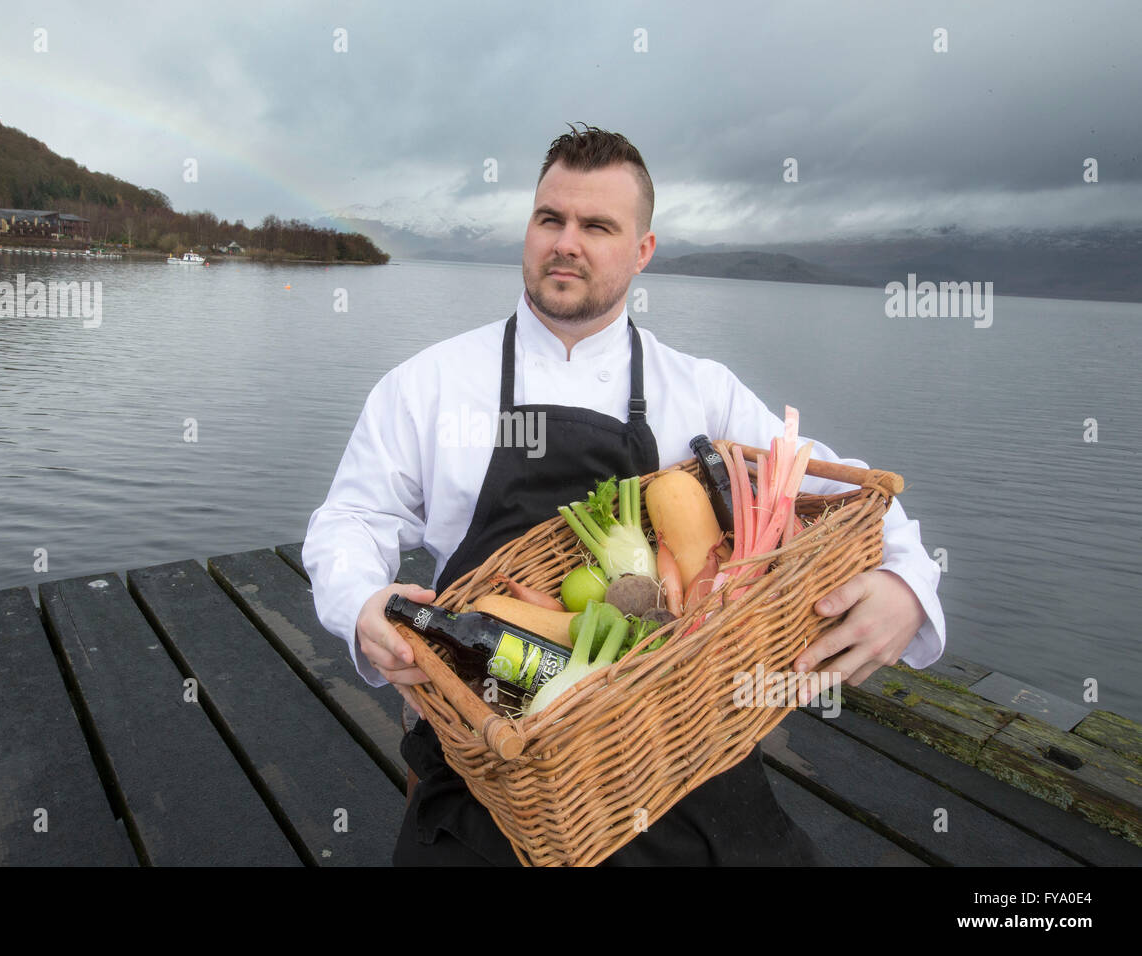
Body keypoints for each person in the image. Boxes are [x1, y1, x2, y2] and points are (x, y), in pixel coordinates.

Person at [303, 123, 945, 865]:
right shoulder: (430, 384)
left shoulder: (701, 392)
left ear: (643, 251)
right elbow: (351, 518)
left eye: (597, 226)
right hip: (497, 757)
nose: (566, 242)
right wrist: (361, 605)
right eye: (551, 219)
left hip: (680, 753)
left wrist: (906, 581)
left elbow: (839, 484)